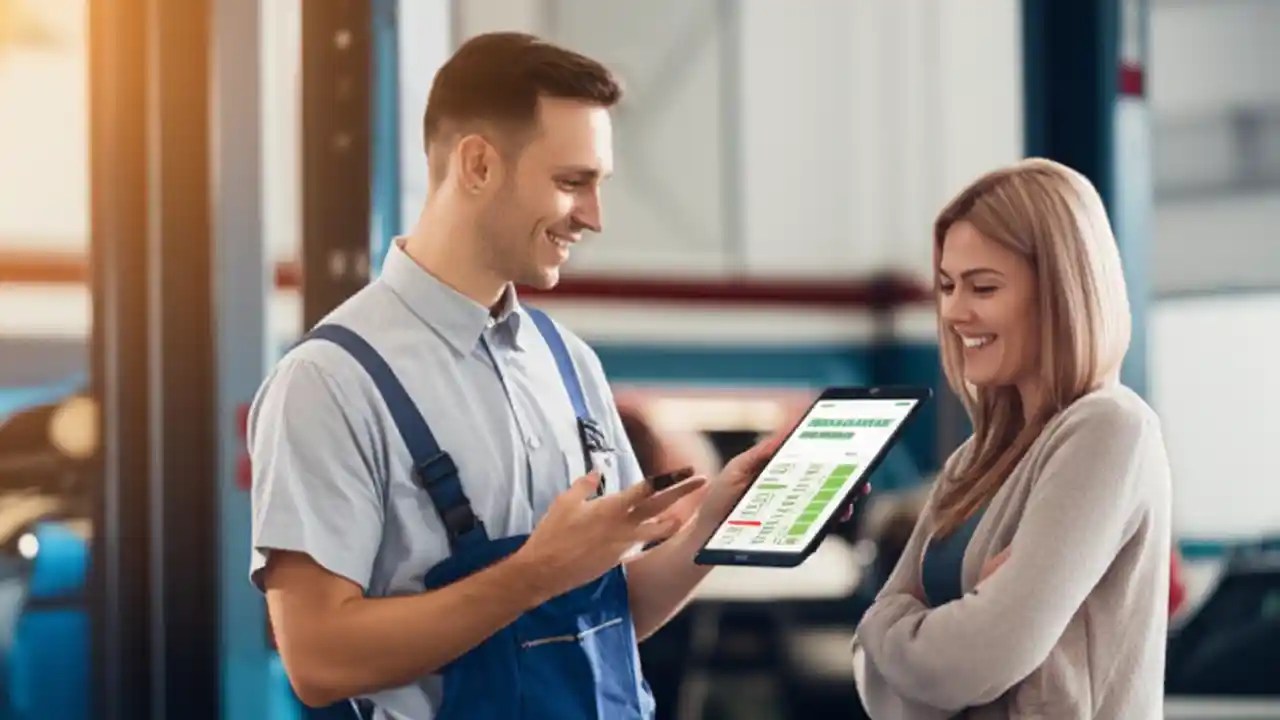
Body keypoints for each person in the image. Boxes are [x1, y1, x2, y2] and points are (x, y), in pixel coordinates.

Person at [248, 32, 786, 720]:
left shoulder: (569, 364)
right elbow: (319, 660)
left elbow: (604, 619)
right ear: (477, 165)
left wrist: (716, 530)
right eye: (572, 182)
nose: (594, 217)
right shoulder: (329, 382)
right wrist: (533, 574)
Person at [851, 158, 1173, 719]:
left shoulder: (1109, 430)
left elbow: (973, 660)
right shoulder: (973, 460)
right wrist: (936, 629)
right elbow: (874, 671)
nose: (954, 311)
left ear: (1060, 292)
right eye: (947, 286)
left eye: (983, 286)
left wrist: (906, 625)